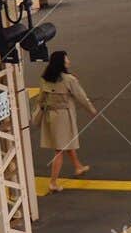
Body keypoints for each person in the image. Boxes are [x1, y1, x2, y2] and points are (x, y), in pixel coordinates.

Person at [33, 51, 97, 191]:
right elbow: (81, 97)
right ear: (62, 62)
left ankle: (78, 166)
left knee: (65, 141)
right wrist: (91, 110)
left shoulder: (45, 78)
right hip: (64, 116)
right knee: (60, 149)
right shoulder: (69, 80)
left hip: (51, 116)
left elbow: (40, 98)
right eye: (66, 58)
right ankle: (53, 182)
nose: (68, 60)